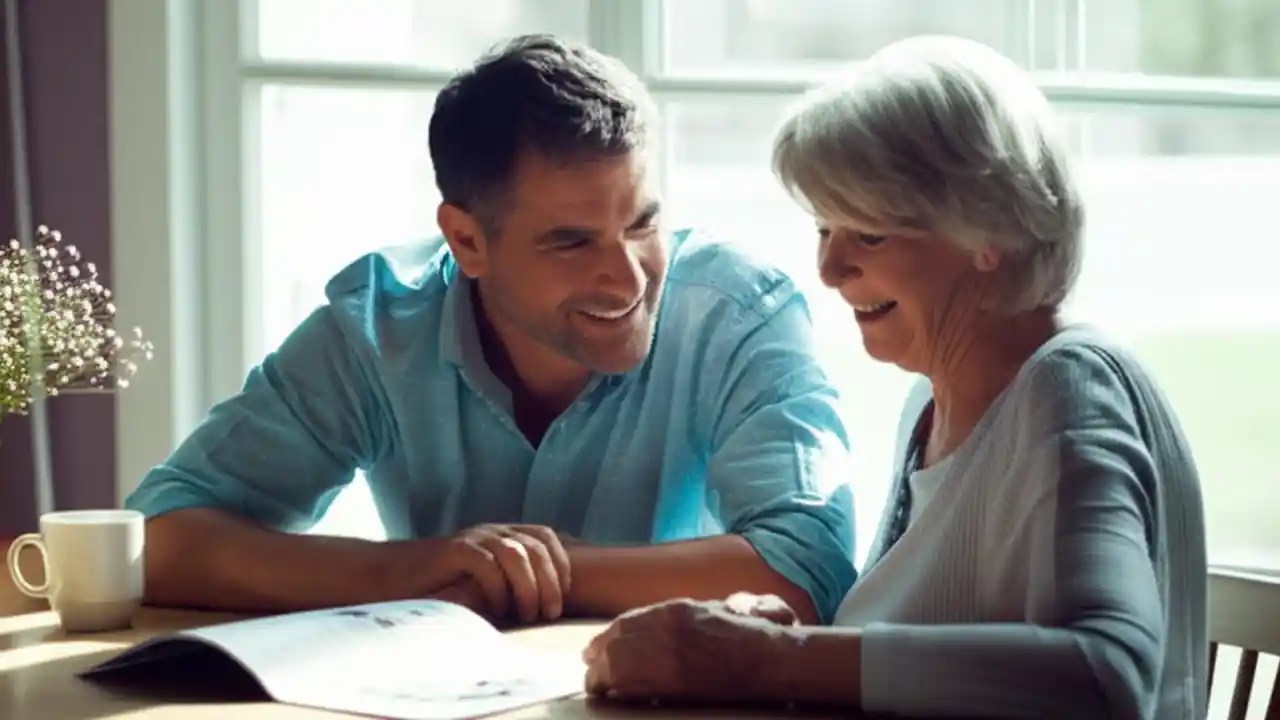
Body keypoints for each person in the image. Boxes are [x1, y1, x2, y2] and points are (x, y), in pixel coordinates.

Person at [123, 34, 856, 627]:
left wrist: (534, 574)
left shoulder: (741, 317)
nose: (629, 279)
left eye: (643, 223)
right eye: (572, 242)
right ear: (466, 242)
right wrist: (424, 567)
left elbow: (807, 568)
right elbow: (157, 537)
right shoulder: (375, 328)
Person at [583, 35, 1208, 720]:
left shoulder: (1070, 390)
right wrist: (787, 640)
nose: (829, 270)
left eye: (869, 235)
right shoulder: (933, 402)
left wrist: (770, 660)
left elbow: (1106, 675)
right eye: (824, 229)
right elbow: (924, 661)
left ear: (986, 233)